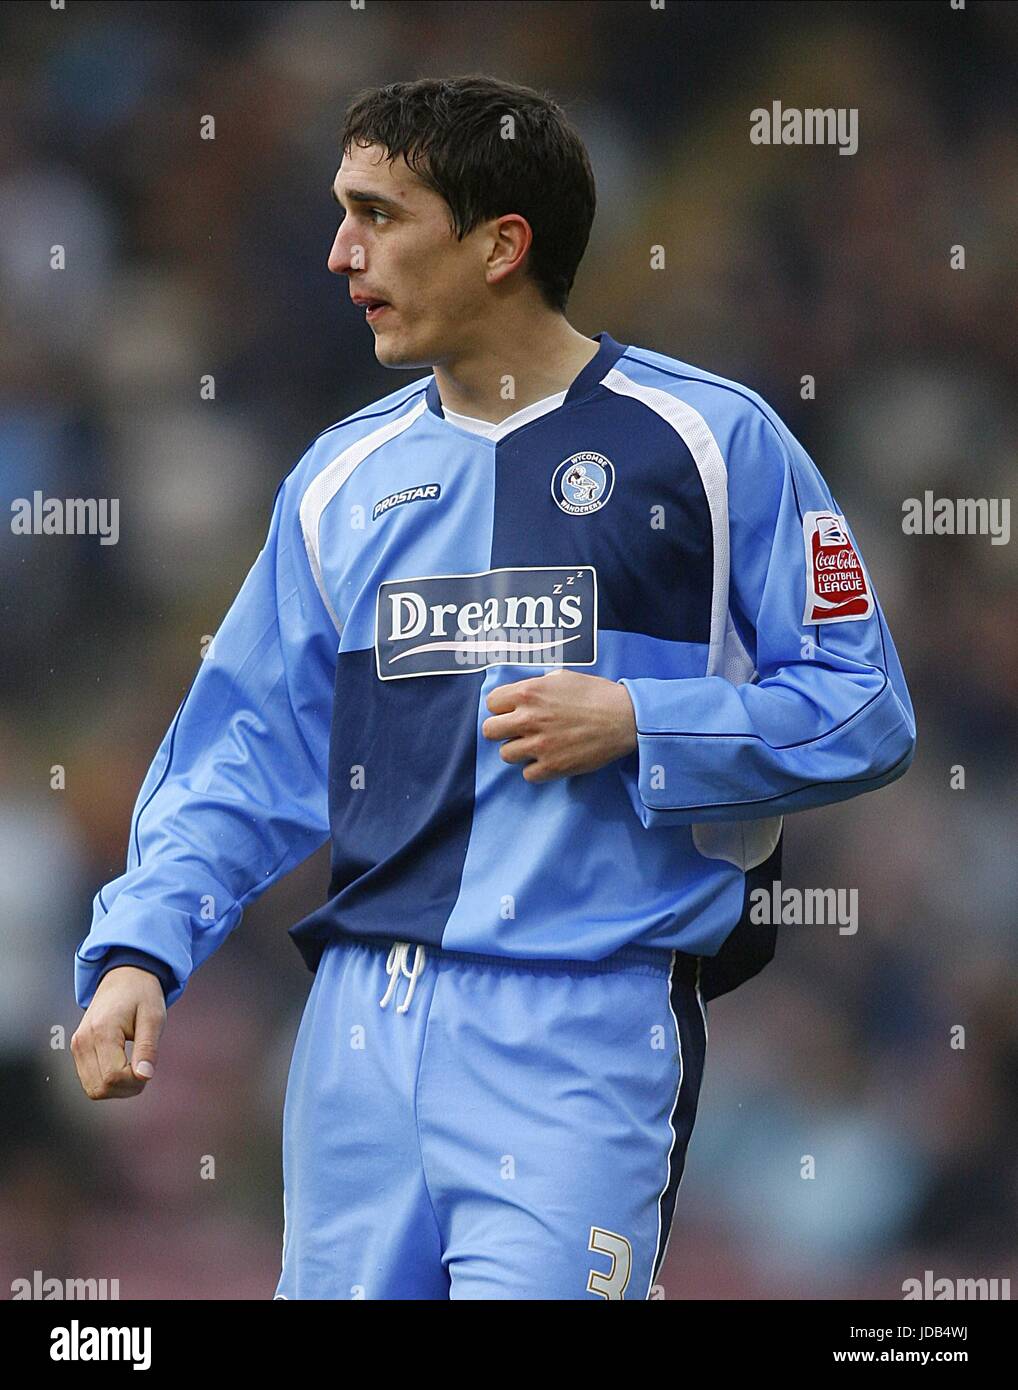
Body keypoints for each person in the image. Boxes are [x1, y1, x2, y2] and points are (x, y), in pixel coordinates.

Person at [72, 75, 916, 1300]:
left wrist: (640, 719)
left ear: (500, 244)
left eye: (377, 214)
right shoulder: (338, 477)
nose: (338, 251)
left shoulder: (708, 443)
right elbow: (248, 752)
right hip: (357, 1030)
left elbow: (864, 706)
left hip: (579, 1028)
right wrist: (142, 946)